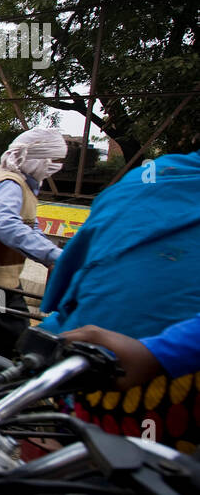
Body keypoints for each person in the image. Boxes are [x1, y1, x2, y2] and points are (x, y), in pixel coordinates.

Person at [38, 146, 200, 451]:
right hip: (160, 399)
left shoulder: (140, 181)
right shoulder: (8, 183)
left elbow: (70, 280)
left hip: (85, 378)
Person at [0, 127, 66, 357]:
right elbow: (7, 226)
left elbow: (30, 227)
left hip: (1, 281)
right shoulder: (9, 183)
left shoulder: (22, 185)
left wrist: (53, 257)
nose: (56, 167)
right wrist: (54, 256)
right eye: (54, 160)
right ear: (37, 158)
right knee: (13, 348)